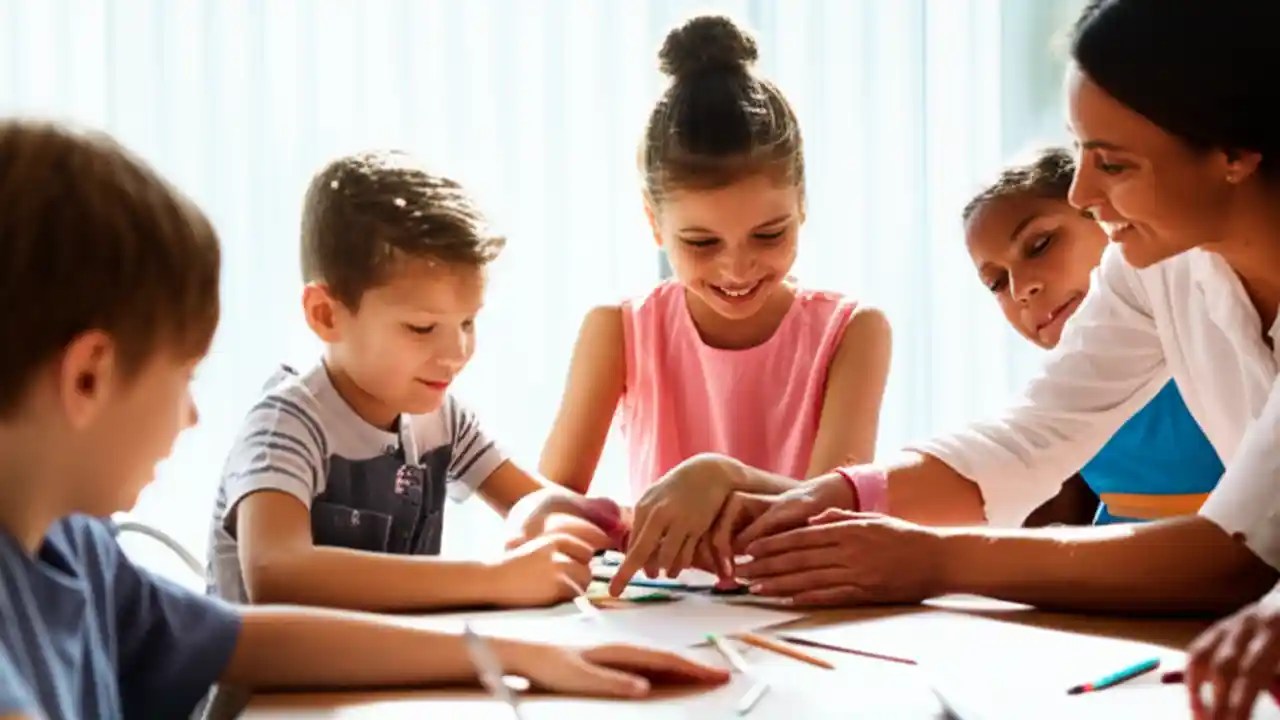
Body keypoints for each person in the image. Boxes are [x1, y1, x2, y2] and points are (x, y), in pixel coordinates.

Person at [611, 5, 1280, 714]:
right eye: (1079, 151)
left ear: (1233, 152)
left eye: (1112, 162)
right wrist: (833, 496)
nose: (1083, 192)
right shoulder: (1160, 266)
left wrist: (934, 560)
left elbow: (1233, 553)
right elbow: (1030, 438)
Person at [0, 119, 728, 720]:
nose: (192, 417)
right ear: (89, 376)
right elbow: (274, 586)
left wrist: (520, 655)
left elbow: (245, 638)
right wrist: (498, 592)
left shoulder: (76, 548)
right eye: (183, 377)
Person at [537, 15, 891, 576]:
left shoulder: (853, 331)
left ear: (802, 204)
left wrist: (721, 477)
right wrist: (627, 525)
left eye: (770, 235)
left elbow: (833, 513)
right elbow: (546, 510)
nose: (737, 267)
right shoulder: (618, 330)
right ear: (655, 224)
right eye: (701, 242)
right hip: (666, 614)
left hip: (798, 611)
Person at [207, 150, 624, 612]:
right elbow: (276, 572)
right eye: (422, 328)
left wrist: (635, 523)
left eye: (467, 323)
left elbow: (539, 505)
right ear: (326, 315)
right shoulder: (286, 425)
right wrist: (493, 579)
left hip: (383, 673)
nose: (458, 352)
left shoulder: (441, 417)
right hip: (279, 685)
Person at [963, 146, 1222, 527]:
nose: (1021, 288)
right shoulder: (1057, 409)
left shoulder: (1216, 342)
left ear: (1110, 220)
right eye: (997, 282)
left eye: (1040, 245)